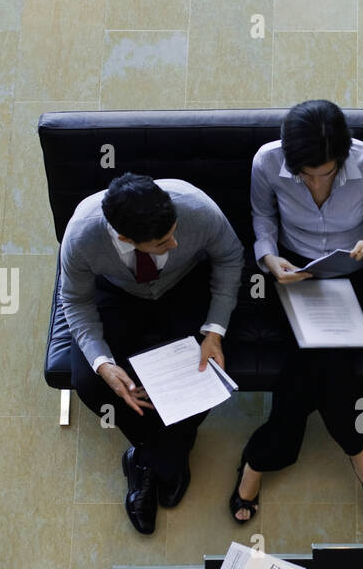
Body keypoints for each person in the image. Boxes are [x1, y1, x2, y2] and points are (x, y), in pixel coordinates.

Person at [230, 99, 363, 523]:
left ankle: (262, 457)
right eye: (305, 175)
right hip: (294, 269)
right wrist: (268, 259)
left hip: (354, 272)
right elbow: (262, 220)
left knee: (314, 364)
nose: (315, 182)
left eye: (325, 173)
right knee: (328, 363)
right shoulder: (267, 162)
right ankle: (358, 451)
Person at [61, 172, 244, 534]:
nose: (175, 242)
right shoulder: (82, 235)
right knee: (89, 383)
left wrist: (214, 330)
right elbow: (75, 300)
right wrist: (103, 363)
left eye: (175, 231)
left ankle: (148, 461)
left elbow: (230, 258)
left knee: (208, 370)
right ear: (126, 239)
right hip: (118, 293)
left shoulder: (196, 207)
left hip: (184, 285)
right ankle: (169, 454)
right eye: (163, 241)